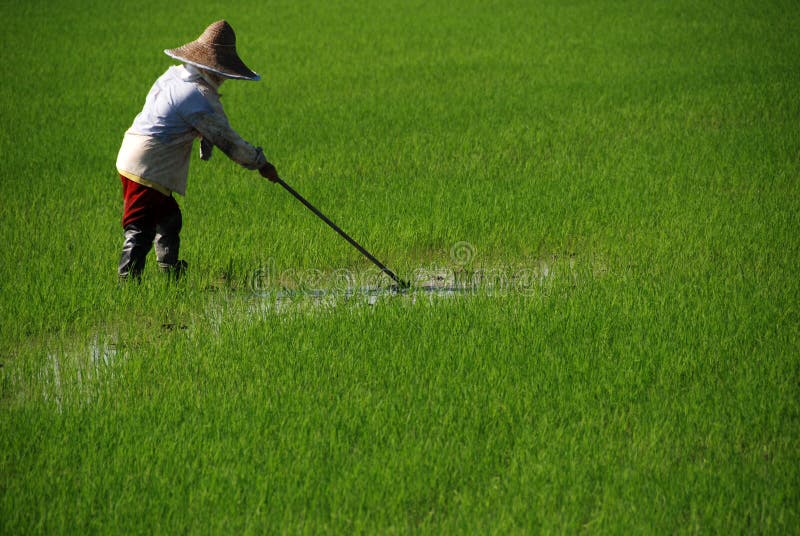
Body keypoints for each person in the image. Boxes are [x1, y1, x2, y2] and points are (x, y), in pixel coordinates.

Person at [116, 20, 279, 281]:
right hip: (147, 163)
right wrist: (261, 164)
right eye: (223, 72)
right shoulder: (199, 96)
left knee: (168, 217)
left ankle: (170, 274)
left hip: (134, 153)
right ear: (215, 69)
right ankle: (127, 284)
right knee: (141, 228)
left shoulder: (173, 75)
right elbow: (230, 142)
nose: (224, 78)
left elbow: (187, 121)